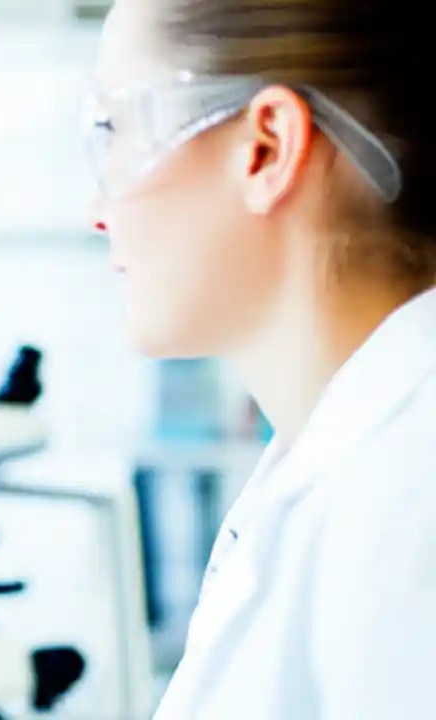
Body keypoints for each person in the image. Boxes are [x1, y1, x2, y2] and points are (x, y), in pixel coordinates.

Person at [85, 0, 436, 717]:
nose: (98, 208)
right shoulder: (348, 467)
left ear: (266, 148)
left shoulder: (409, 501)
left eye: (114, 130)